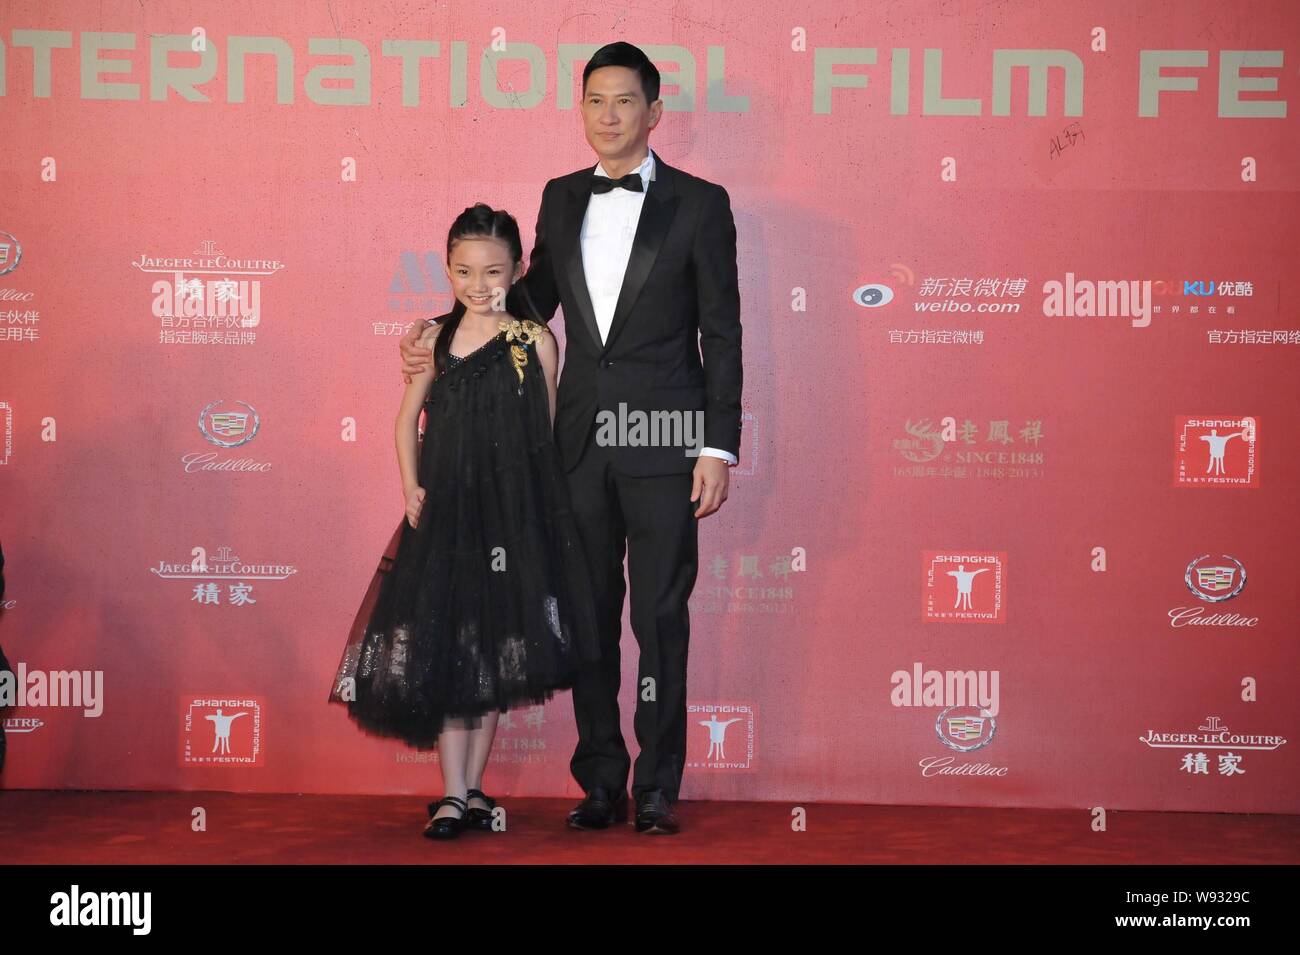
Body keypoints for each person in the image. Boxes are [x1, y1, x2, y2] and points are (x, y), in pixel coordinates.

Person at [399, 42, 743, 834]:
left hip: (667, 439)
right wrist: (435, 329)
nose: (608, 115)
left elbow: (722, 331)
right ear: (580, 109)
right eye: (594, 101)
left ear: (654, 113)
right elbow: (522, 303)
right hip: (576, 444)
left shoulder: (701, 204)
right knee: (586, 612)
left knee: (660, 619)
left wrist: (717, 446)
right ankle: (599, 779)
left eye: (624, 101)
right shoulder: (558, 199)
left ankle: (657, 785)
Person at [331, 203, 600, 840]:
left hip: (510, 521)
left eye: (493, 272)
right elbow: (405, 422)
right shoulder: (432, 338)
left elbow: (549, 432)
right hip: (445, 513)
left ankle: (475, 791)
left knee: (492, 658)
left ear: (519, 269)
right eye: (463, 271)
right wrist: (410, 485)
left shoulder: (534, 341)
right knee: (448, 652)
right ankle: (450, 796)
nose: (478, 285)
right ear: (447, 269)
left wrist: (539, 512)